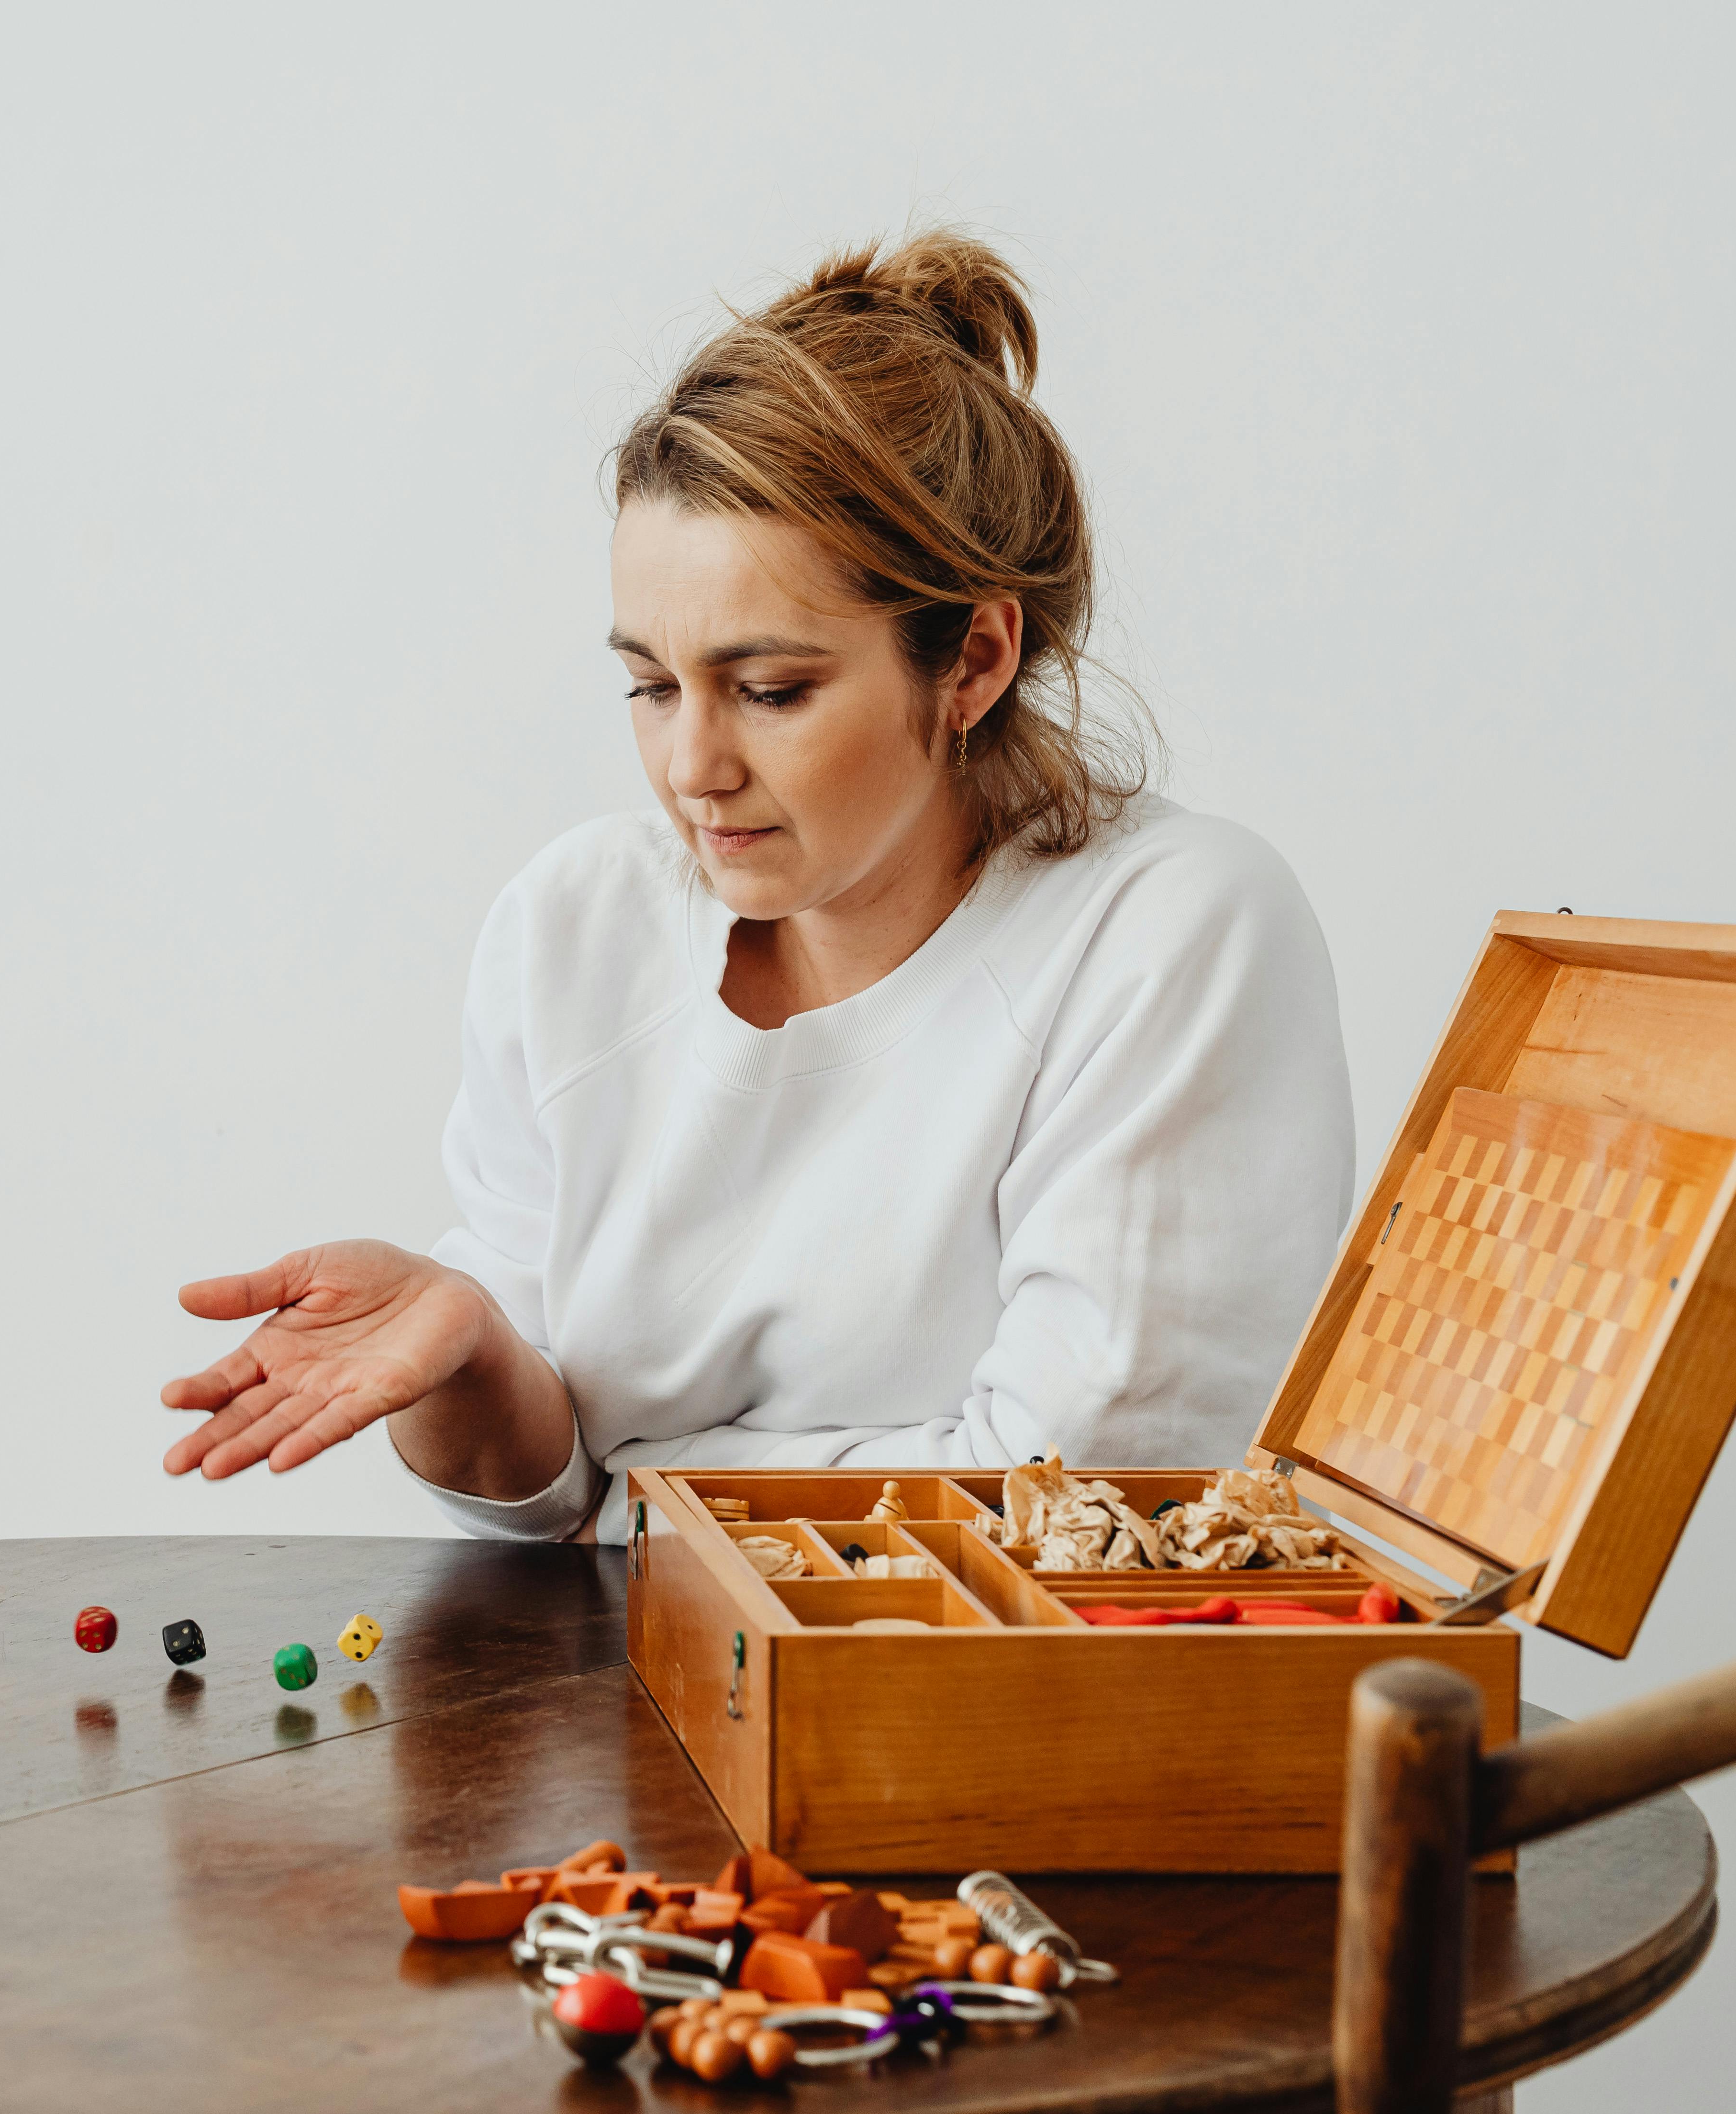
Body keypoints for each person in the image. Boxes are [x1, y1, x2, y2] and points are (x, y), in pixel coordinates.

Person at [159, 232, 1353, 1543]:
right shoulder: (574, 928)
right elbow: (543, 1504)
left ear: (972, 660)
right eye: (650, 685)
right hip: (629, 1711)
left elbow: (1075, 1510)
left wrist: (633, 1478)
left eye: (770, 691)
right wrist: (475, 1367)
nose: (690, 767)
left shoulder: (1170, 933)